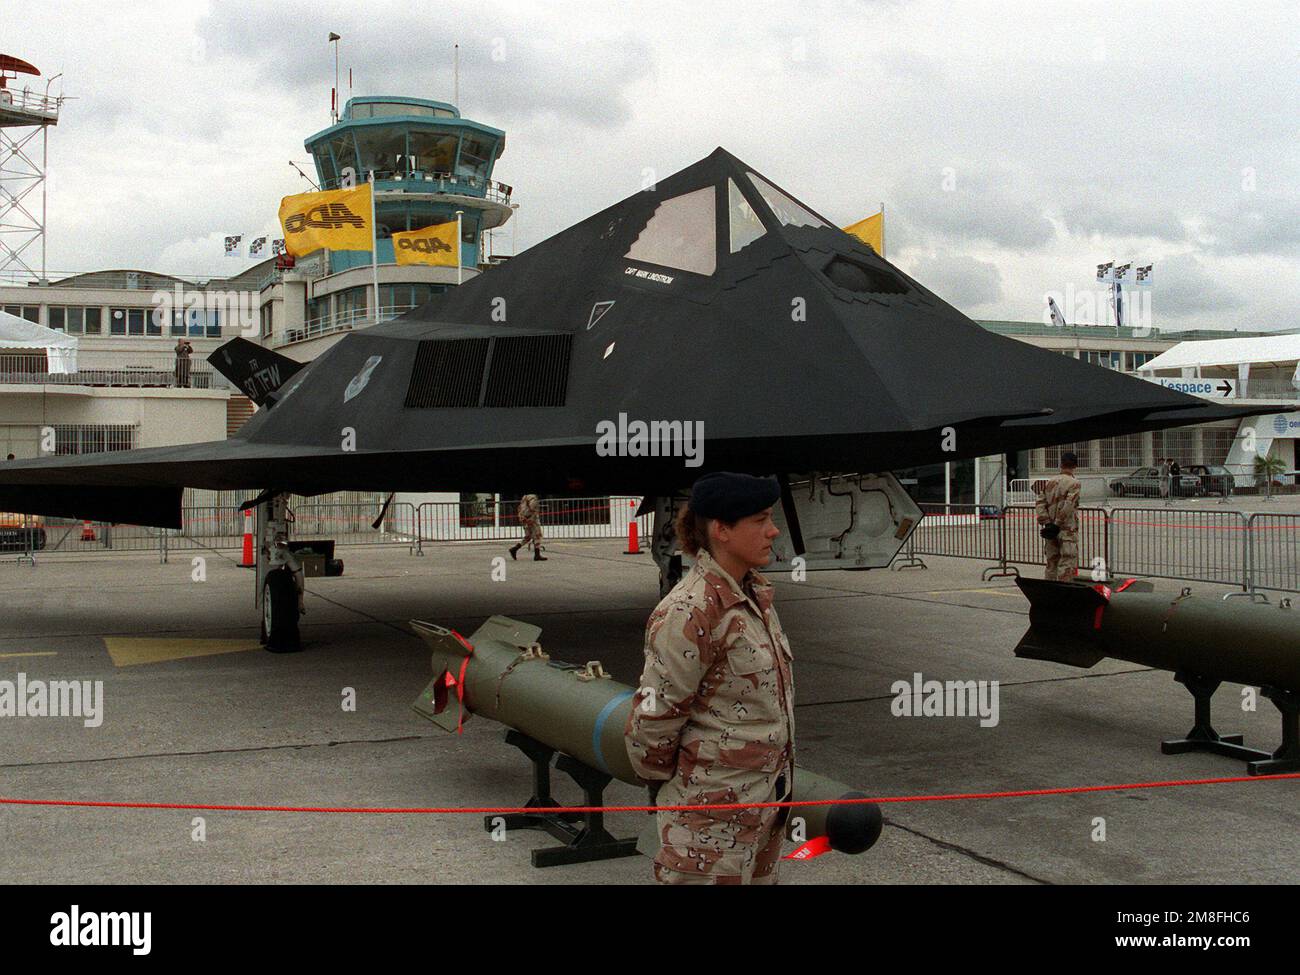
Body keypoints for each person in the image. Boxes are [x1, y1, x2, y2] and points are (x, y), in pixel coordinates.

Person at [625, 472, 794, 885]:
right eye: (760, 520)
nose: (773, 531)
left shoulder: (753, 596)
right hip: (708, 832)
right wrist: (693, 794)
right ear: (721, 529)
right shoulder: (689, 610)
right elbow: (653, 721)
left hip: (761, 815)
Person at [1037, 452, 1081, 581]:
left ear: (1061, 464)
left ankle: (1049, 592)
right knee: (1067, 563)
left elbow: (1040, 503)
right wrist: (1057, 523)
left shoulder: (1050, 481)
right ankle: (1065, 593)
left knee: (1051, 562)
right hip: (1066, 529)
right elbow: (1069, 505)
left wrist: (1047, 523)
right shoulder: (1074, 483)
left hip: (1050, 529)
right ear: (1075, 466)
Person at [508, 494, 546, 561]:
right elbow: (532, 508)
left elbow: (520, 507)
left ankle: (514, 549)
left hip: (524, 518)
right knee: (538, 535)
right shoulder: (533, 497)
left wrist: (521, 517)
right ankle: (537, 555)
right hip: (531, 518)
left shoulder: (524, 496)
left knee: (528, 536)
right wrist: (532, 518)